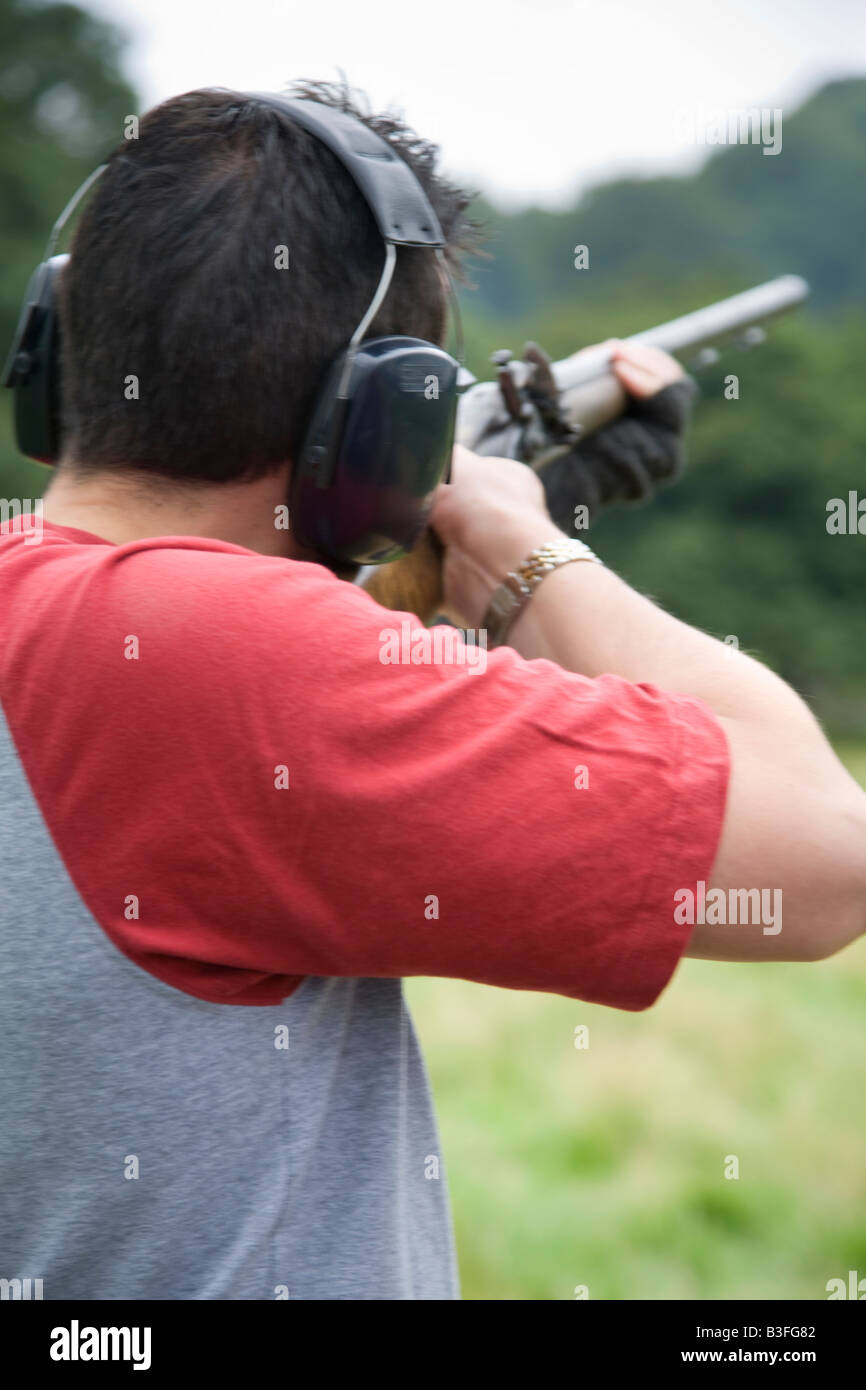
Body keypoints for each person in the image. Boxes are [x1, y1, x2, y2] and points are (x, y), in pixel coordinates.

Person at [0, 83, 863, 1303]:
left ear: (60, 338)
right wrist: (525, 556)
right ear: (380, 422)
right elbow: (820, 861)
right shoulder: (233, 661)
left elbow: (231, 762)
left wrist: (437, 549)